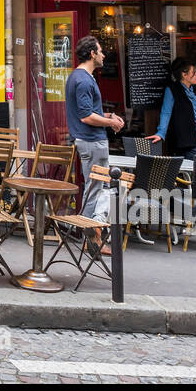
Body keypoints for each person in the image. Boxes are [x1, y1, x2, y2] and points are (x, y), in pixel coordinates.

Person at [65, 35, 124, 253]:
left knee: (99, 188)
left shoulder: (81, 78)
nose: (103, 55)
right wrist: (109, 122)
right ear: (92, 53)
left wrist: (108, 115)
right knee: (98, 189)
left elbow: (91, 111)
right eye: (100, 51)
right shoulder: (82, 80)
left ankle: (92, 235)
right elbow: (86, 116)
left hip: (91, 141)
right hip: (91, 141)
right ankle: (92, 237)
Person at [147, 58, 196, 159]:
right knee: (195, 173)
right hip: (191, 143)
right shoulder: (172, 90)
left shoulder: (195, 90)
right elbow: (166, 112)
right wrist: (161, 133)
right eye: (194, 72)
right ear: (184, 75)